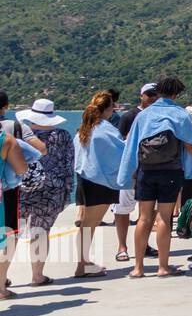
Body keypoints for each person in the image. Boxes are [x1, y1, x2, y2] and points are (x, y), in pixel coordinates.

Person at [116, 76, 192, 278]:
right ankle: (162, 267)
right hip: (170, 171)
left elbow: (131, 146)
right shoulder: (180, 114)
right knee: (164, 218)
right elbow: (191, 145)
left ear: (158, 92)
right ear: (175, 94)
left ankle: (138, 268)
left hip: (145, 171)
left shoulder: (144, 115)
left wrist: (125, 176)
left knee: (144, 217)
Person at [15, 100, 74, 285]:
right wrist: (68, 191)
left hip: (23, 188)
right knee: (41, 232)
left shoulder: (22, 134)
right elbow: (69, 165)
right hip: (52, 190)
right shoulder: (63, 136)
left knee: (12, 232)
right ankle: (37, 276)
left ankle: (3, 276)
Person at [72, 90, 126, 278]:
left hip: (86, 180)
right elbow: (120, 153)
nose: (114, 109)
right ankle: (82, 266)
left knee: (87, 225)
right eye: (112, 106)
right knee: (90, 225)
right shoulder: (105, 130)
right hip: (101, 182)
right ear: (107, 109)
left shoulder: (85, 128)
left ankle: (83, 263)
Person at [112, 83, 158, 263]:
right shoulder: (129, 116)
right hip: (131, 171)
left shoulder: (158, 116)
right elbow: (119, 145)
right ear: (141, 96)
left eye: (156, 94)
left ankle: (144, 244)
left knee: (147, 211)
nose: (153, 97)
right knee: (123, 209)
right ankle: (122, 247)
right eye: (149, 94)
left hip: (150, 171)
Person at [0, 126, 35, 299]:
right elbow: (21, 169)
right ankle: (0, 287)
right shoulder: (6, 140)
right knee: (9, 238)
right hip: (4, 197)